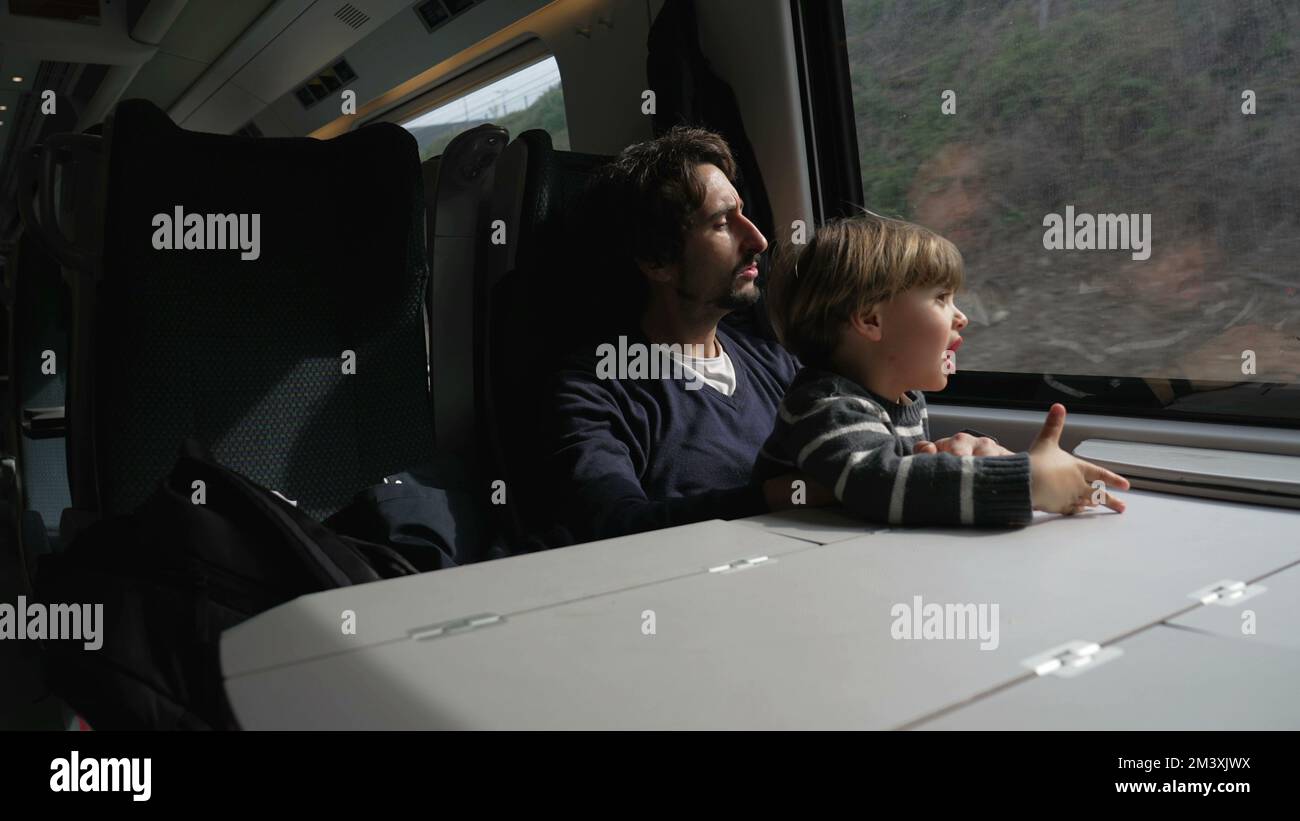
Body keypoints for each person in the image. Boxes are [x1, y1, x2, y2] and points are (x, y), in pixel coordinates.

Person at [541, 126, 831, 544]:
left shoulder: (777, 364)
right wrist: (775, 497)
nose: (759, 240)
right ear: (657, 261)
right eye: (721, 223)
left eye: (743, 213)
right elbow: (612, 525)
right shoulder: (594, 390)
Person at [754, 212, 1131, 526]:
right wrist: (1028, 482)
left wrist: (972, 454)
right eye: (941, 298)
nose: (962, 317)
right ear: (870, 319)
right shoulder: (824, 404)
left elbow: (906, 473)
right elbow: (879, 486)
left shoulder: (904, 401)